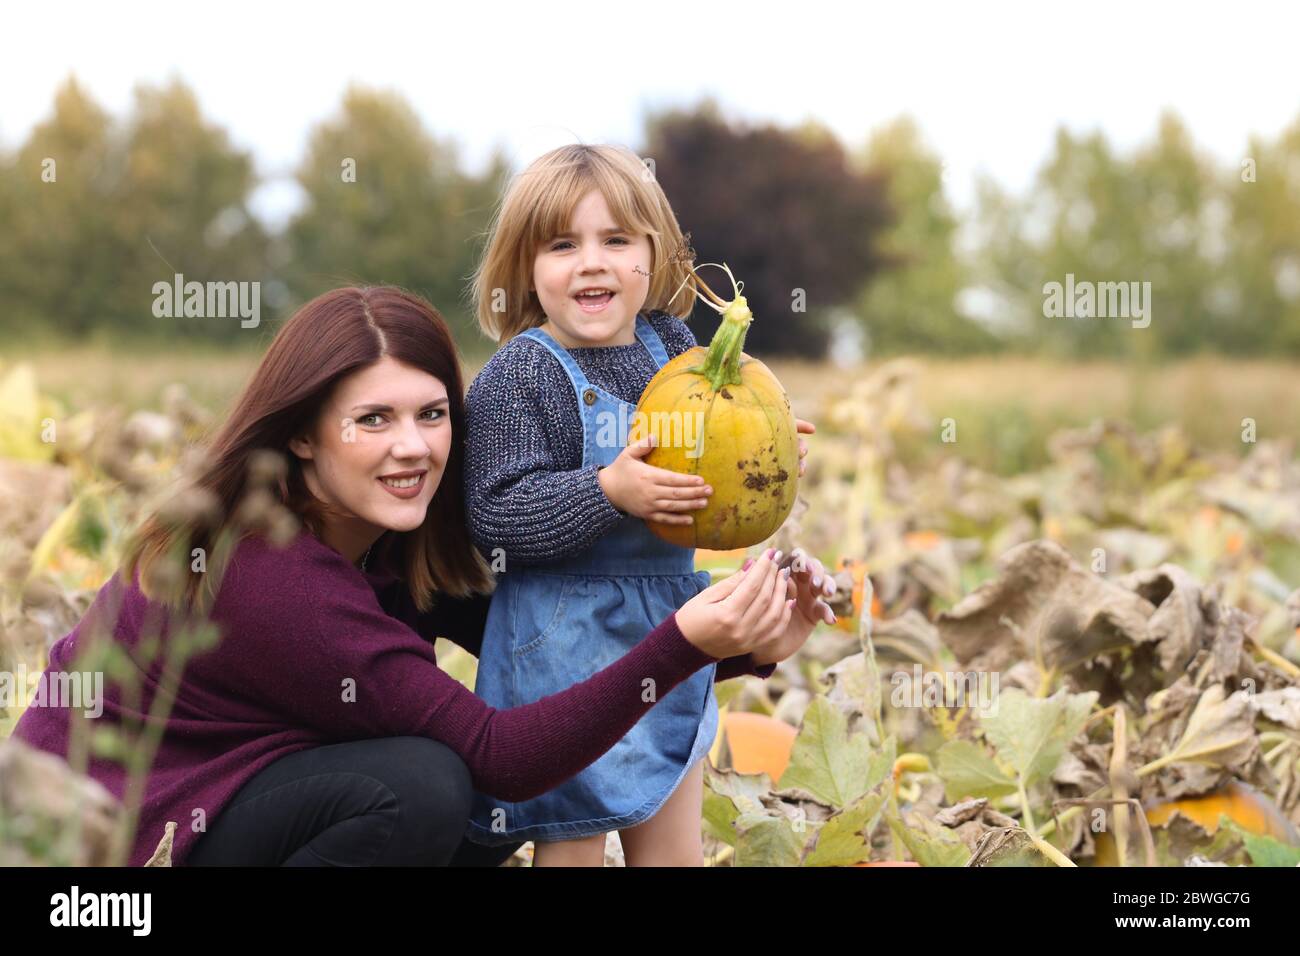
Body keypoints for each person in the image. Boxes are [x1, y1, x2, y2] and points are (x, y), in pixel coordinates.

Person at [10, 285, 835, 867]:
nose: (413, 446)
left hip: (256, 796)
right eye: (374, 420)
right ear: (303, 435)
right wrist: (687, 642)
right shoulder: (267, 575)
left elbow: (559, 649)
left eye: (432, 414)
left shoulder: (396, 537)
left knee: (493, 794)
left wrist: (749, 644)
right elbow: (500, 755)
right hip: (112, 853)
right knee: (433, 785)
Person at [462, 144, 835, 865]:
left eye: (616, 240)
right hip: (560, 645)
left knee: (673, 845)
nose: (592, 262)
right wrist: (608, 491)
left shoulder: (676, 351)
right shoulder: (520, 375)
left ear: (653, 256)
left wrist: (765, 456)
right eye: (563, 244)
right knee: (571, 846)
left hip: (669, 622)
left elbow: (708, 467)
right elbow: (495, 513)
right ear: (526, 267)